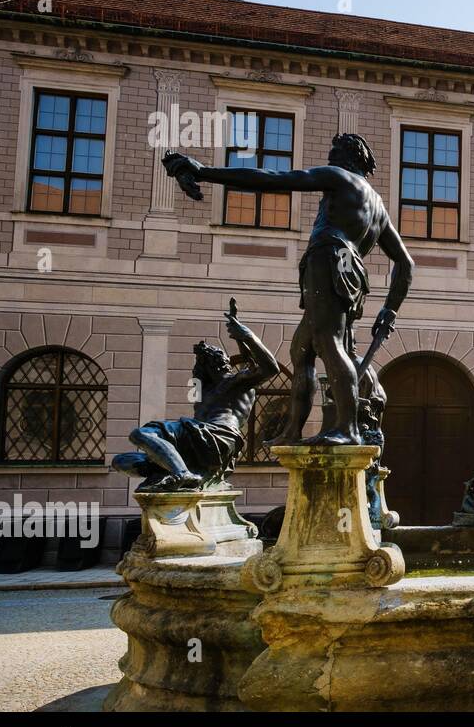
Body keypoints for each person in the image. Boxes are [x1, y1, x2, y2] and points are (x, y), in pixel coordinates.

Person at [164, 133, 413, 445]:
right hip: (351, 270)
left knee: (329, 344)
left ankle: (347, 430)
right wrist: (389, 309)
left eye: (335, 151)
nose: (330, 157)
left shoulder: (340, 178)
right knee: (302, 351)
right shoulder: (378, 206)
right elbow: (405, 263)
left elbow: (275, 178)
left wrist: (203, 171)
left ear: (351, 156)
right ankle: (293, 431)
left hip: (329, 256)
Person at [114, 308, 279, 492]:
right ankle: (172, 471)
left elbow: (270, 369)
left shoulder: (237, 383)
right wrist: (198, 367)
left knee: (141, 434)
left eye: (200, 363)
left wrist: (246, 336)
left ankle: (183, 473)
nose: (196, 368)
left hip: (218, 437)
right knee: (121, 461)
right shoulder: (203, 392)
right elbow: (193, 391)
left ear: (213, 365)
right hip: (197, 440)